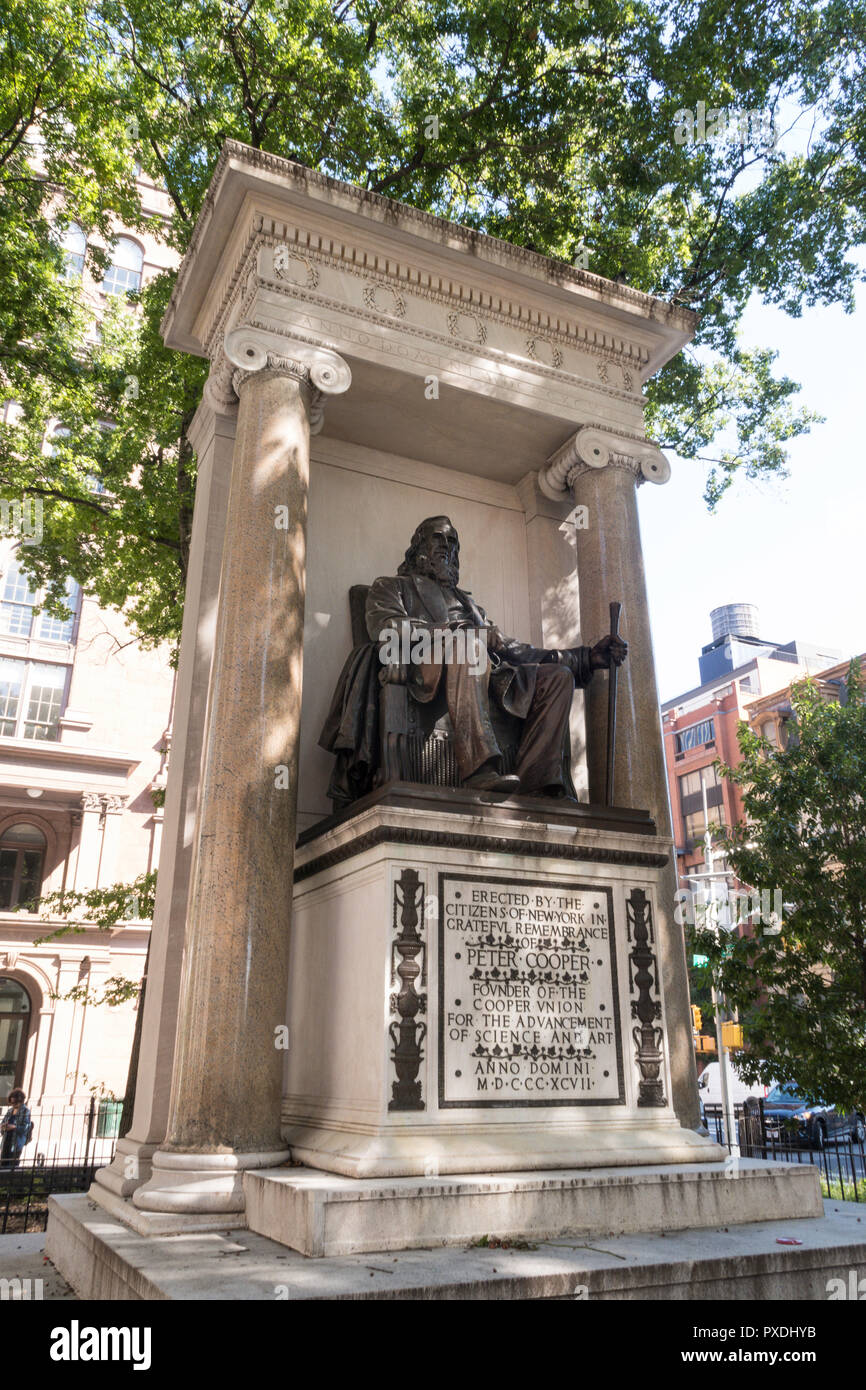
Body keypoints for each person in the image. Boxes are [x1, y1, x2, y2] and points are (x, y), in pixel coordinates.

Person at [363, 515, 627, 795]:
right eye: (437, 538)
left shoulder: (470, 604)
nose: (446, 546)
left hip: (484, 672)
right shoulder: (393, 586)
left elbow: (512, 649)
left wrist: (585, 658)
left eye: (452, 541)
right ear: (419, 547)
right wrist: (461, 631)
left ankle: (535, 782)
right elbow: (386, 629)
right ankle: (479, 770)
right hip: (427, 669)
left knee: (558, 678)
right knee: (470, 646)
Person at [0, 1088, 31, 1168]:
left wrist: (14, 1127)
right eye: (11, 1102)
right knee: (3, 1162)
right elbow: (3, 1122)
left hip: (17, 1141)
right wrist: (3, 1126)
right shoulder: (10, 1110)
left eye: (15, 1103)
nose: (13, 1105)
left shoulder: (25, 1111)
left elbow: (26, 1127)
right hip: (6, 1139)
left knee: (12, 1163)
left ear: (20, 1101)